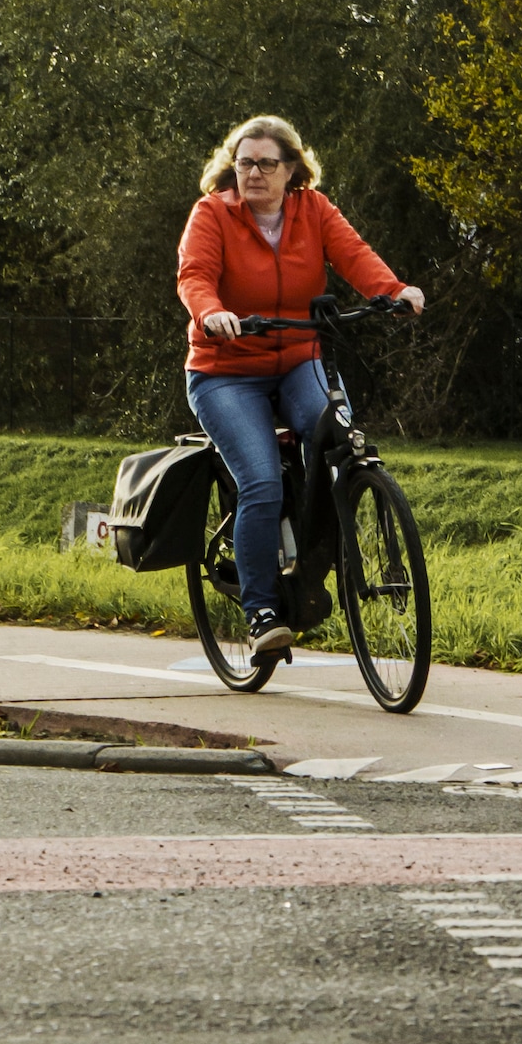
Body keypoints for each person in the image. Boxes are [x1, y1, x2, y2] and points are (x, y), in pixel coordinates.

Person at [176, 115, 424, 661]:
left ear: (292, 169)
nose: (255, 173)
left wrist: (394, 290)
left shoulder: (314, 210)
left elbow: (354, 255)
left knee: (338, 439)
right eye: (245, 163)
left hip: (298, 357)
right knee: (261, 481)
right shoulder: (212, 215)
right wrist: (213, 312)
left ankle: (316, 557)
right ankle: (261, 609)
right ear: (232, 167)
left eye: (267, 163)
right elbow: (194, 275)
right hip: (226, 370)